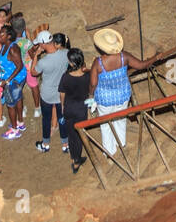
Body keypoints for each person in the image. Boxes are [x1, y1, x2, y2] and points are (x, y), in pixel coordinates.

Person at [89, 29, 158, 157]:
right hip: (122, 96)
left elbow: (93, 83)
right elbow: (142, 65)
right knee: (120, 120)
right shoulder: (124, 56)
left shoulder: (98, 63)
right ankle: (121, 145)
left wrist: (90, 96)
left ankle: (109, 152)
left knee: (105, 124)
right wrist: (156, 57)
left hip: (105, 100)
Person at [32, 32, 71, 153]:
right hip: (62, 93)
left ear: (43, 44)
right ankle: (65, 144)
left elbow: (33, 72)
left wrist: (35, 56)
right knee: (62, 118)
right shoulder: (65, 53)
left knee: (46, 119)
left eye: (39, 43)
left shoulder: (43, 62)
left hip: (47, 94)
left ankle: (45, 144)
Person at [59, 47, 91, 173]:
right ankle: (77, 160)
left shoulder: (66, 77)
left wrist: (62, 106)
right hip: (81, 109)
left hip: (69, 108)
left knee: (71, 135)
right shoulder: (87, 76)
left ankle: (74, 159)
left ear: (72, 63)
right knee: (80, 135)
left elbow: (62, 94)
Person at [0, 26, 27, 138]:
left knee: (10, 105)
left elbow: (19, 66)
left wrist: (7, 81)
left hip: (14, 81)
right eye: (0, 33)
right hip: (14, 79)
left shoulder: (13, 49)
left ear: (9, 36)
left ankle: (14, 130)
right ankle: (20, 122)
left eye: (2, 34)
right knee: (18, 99)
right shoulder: (5, 45)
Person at [26, 26, 50, 118]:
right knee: (34, 85)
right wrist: (36, 55)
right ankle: (37, 108)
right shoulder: (26, 42)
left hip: (18, 67)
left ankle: (24, 109)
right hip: (29, 66)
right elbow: (33, 71)